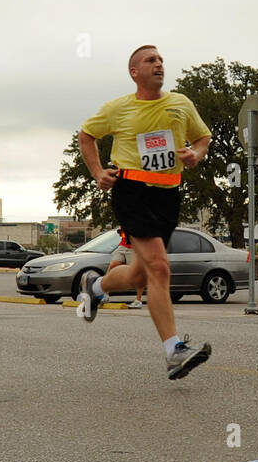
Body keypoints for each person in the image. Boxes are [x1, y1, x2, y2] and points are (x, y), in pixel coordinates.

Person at [76, 44, 213, 379]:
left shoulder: (180, 103)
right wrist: (97, 173)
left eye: (162, 60)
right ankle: (174, 351)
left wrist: (196, 154)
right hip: (132, 190)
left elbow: (203, 137)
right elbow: (86, 135)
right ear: (134, 72)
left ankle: (94, 289)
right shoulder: (117, 108)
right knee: (160, 267)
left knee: (141, 274)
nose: (159, 64)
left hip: (168, 195)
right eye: (151, 60)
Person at [108, 228, 145, 308]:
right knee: (113, 265)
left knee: (138, 274)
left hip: (134, 248)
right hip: (122, 246)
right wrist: (122, 232)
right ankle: (105, 295)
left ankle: (138, 300)